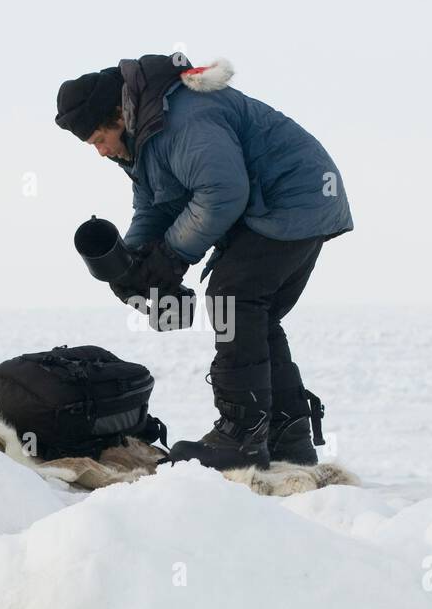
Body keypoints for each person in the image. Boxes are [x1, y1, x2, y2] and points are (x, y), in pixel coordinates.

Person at [55, 53, 353, 469]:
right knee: (252, 314)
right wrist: (135, 266)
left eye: (98, 141)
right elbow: (153, 207)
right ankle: (287, 435)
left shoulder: (184, 119)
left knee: (232, 299)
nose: (101, 153)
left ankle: (241, 435)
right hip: (290, 204)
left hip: (292, 200)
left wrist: (172, 258)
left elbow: (222, 193)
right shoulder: (147, 134)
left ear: (117, 117)